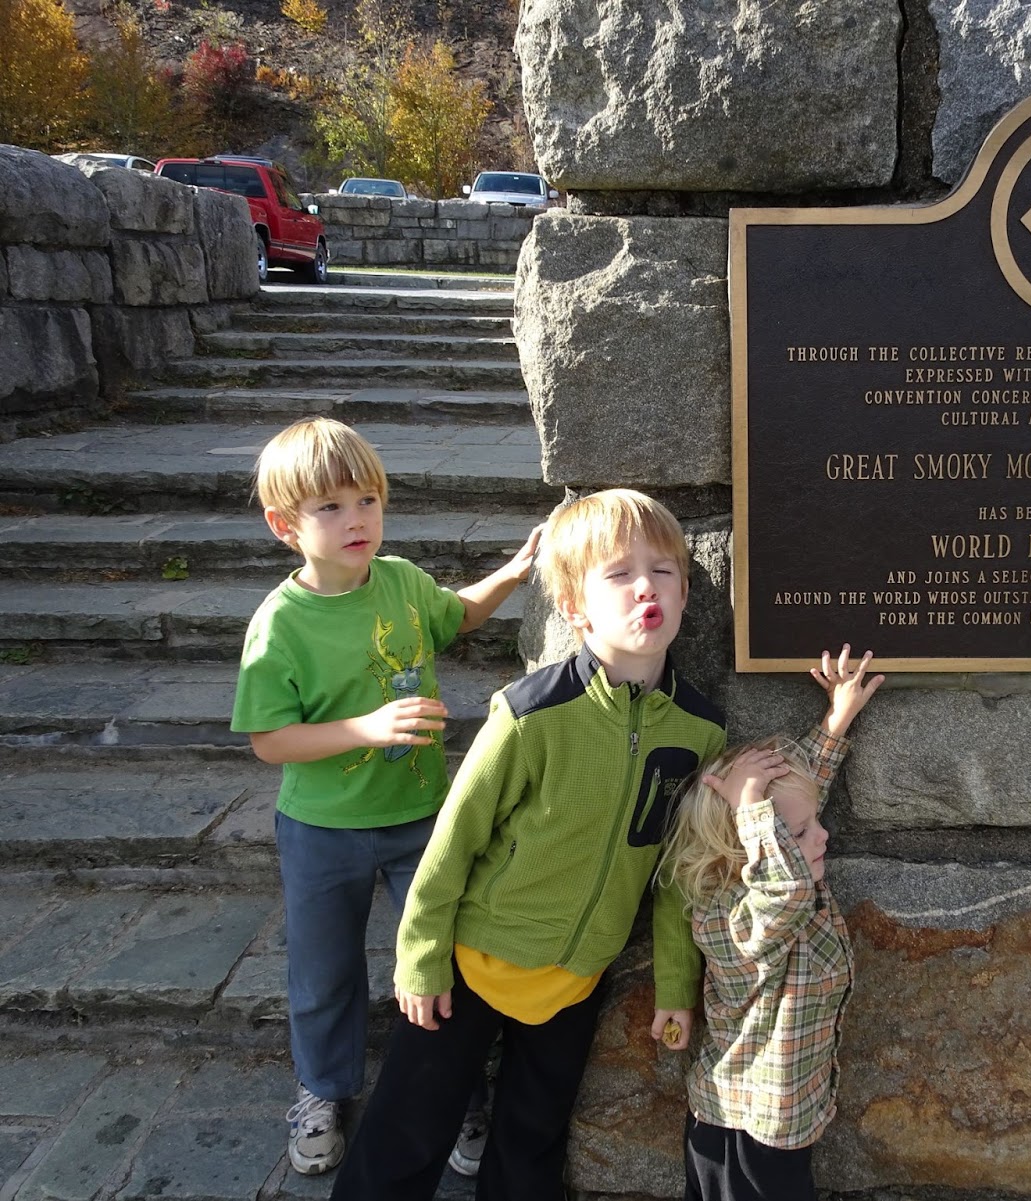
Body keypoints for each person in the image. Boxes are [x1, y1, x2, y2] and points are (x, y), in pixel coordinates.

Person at [330, 488, 726, 1201]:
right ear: (574, 606)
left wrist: (675, 982)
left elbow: (675, 871)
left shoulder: (699, 730)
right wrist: (420, 959)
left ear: (686, 589)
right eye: (619, 573)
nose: (646, 586)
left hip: (576, 978)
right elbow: (452, 843)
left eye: (663, 570)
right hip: (471, 963)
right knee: (406, 1133)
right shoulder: (530, 714)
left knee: (531, 1141)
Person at [230, 416, 538, 1176]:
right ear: (284, 525)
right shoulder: (280, 625)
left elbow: (454, 615)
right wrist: (364, 727)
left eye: (367, 498)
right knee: (325, 967)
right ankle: (323, 1089)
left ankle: (456, 1089)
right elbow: (270, 740)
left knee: (441, 956)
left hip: (422, 819)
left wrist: (512, 572)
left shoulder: (400, 581)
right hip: (322, 829)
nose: (356, 518)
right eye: (329, 507)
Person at [660, 645, 884, 1201]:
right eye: (804, 833)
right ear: (750, 843)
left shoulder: (773, 862)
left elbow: (801, 797)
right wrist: (753, 809)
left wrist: (836, 718)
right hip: (750, 1122)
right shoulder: (733, 915)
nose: (822, 835)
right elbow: (784, 887)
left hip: (765, 1112)